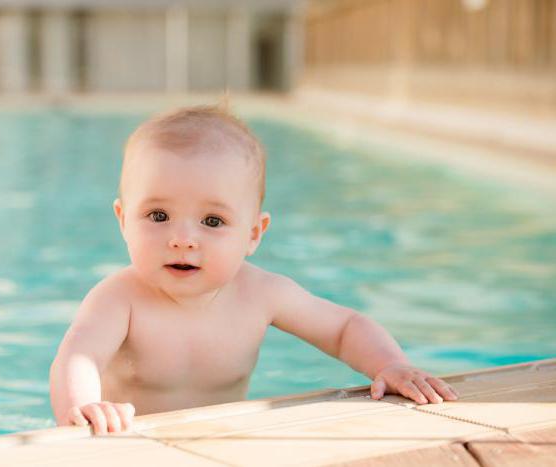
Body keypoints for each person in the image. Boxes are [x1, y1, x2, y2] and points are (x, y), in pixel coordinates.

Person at [49, 103, 459, 434]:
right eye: (158, 215)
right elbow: (79, 355)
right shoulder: (120, 298)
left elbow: (344, 327)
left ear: (253, 234)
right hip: (131, 446)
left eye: (212, 221)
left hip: (222, 443)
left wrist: (388, 364)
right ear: (123, 220)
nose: (182, 239)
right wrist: (84, 407)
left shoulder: (262, 294)